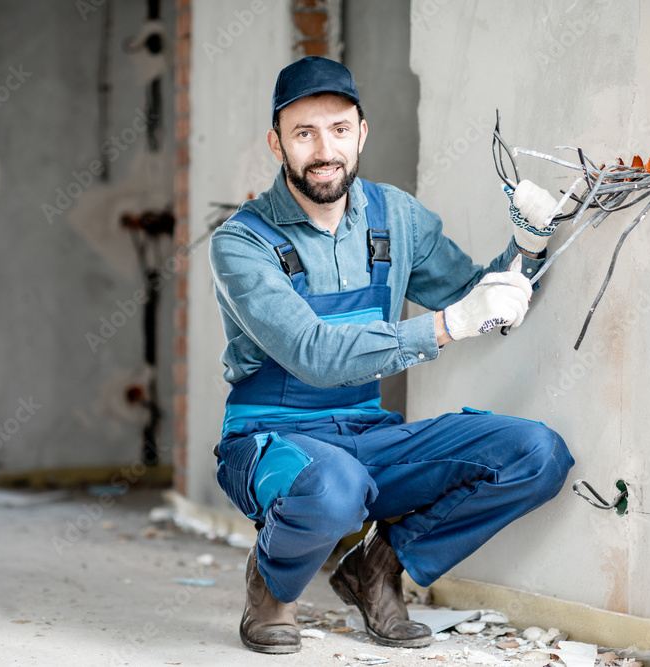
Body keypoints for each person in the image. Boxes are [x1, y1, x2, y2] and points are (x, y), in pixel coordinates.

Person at [209, 56, 574, 654]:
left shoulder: (395, 217)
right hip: (271, 440)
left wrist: (529, 245)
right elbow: (313, 353)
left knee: (536, 454)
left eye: (339, 129)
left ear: (362, 133)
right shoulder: (243, 242)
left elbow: (469, 295)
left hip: (366, 432)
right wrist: (445, 327)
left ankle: (377, 568)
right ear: (277, 144)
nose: (324, 149)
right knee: (335, 487)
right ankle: (270, 590)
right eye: (304, 133)